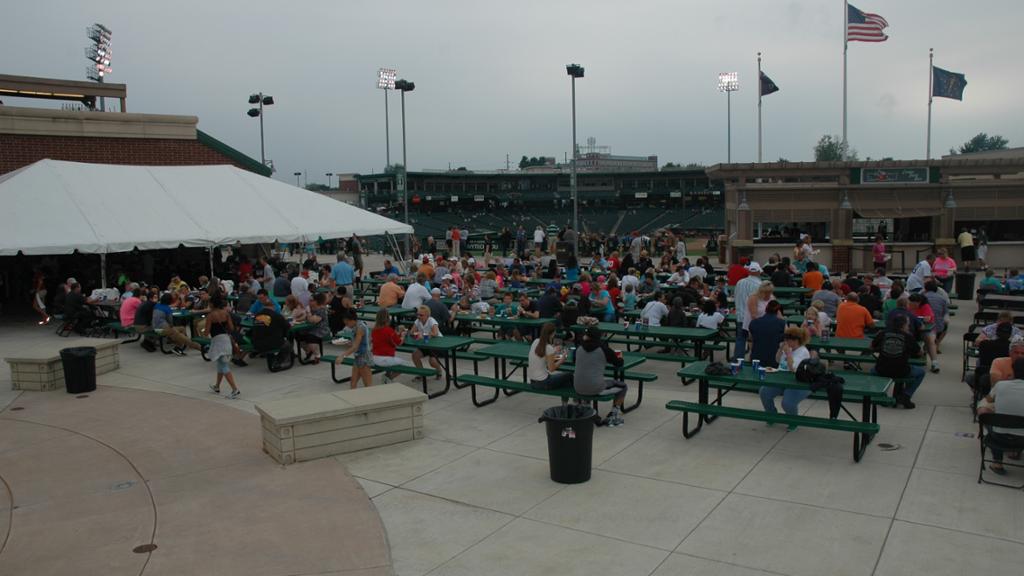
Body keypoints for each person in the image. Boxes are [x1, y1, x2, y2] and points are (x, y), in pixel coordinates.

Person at [573, 325, 628, 426]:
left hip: (577, 387)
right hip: (595, 388)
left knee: (587, 377)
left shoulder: (579, 348)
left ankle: (586, 408)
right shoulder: (604, 349)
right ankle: (614, 414)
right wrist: (619, 357)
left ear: (586, 336)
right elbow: (619, 363)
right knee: (623, 386)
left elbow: (574, 361)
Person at [977, 358, 1024, 476]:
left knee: (986, 415)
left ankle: (997, 462)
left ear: (1013, 370)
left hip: (999, 437)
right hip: (1022, 440)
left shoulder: (1000, 386)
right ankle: (1015, 453)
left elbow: (986, 401)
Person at [759, 326, 812, 424]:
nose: (786, 341)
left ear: (796, 340)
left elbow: (793, 369)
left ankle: (793, 420)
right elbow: (778, 360)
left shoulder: (802, 352)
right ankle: (771, 415)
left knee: (787, 403)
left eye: (788, 339)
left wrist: (788, 354)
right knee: (764, 392)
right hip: (782, 379)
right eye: (785, 339)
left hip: (797, 382)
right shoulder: (788, 347)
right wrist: (780, 350)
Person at [203, 294, 241, 399]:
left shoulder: (210, 316)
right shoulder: (226, 313)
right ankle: (217, 386)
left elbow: (206, 333)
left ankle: (235, 389)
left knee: (224, 366)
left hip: (217, 341)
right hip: (226, 340)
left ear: (212, 304)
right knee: (221, 364)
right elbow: (231, 328)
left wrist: (204, 332)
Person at [333, 309, 374, 389]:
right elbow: (359, 342)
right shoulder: (357, 325)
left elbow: (356, 347)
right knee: (353, 383)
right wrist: (349, 343)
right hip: (358, 357)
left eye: (347, 323)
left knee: (368, 386)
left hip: (364, 357)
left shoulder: (360, 328)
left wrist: (342, 356)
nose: (346, 325)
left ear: (352, 320)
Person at [733, 263, 764, 360]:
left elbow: (735, 297)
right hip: (754, 317)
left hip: (740, 316)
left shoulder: (740, 282)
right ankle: (754, 360)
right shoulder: (759, 285)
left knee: (740, 340)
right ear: (758, 272)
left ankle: (737, 362)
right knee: (756, 340)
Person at [527, 323, 572, 390]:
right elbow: (551, 368)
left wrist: (554, 350)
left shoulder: (535, 341)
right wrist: (562, 359)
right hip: (543, 383)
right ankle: (577, 398)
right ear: (552, 334)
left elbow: (545, 355)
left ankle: (566, 400)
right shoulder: (548, 348)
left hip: (533, 381)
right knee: (569, 376)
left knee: (564, 380)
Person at [370, 308, 411, 382]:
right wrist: (403, 335)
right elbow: (399, 343)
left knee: (392, 361)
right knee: (405, 364)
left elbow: (388, 339)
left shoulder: (374, 330)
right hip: (384, 359)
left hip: (374, 358)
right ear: (387, 318)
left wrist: (397, 334)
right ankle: (389, 378)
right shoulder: (389, 330)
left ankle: (387, 376)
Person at [749, 300, 786, 368]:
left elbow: (750, 340)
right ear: (778, 312)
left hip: (756, 358)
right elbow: (788, 338)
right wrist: (783, 319)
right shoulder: (782, 324)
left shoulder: (754, 322)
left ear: (766, 309)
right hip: (773, 360)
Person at [410, 305, 443, 379]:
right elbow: (412, 332)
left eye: (421, 315)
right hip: (425, 343)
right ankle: (421, 373)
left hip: (437, 344)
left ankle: (439, 371)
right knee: (415, 355)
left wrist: (424, 334)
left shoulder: (431, 320)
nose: (418, 316)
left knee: (432, 361)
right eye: (417, 314)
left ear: (427, 315)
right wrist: (417, 334)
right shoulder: (418, 321)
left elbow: (435, 333)